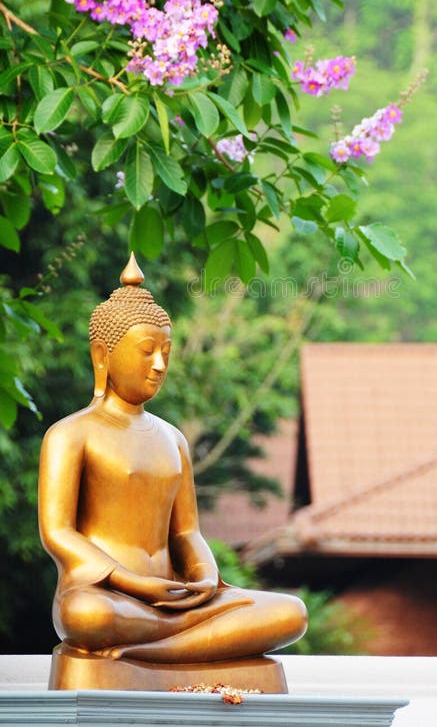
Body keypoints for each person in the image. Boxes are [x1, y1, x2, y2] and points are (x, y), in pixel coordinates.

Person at [38, 253, 307, 664]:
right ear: (101, 355)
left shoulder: (173, 438)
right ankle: (190, 645)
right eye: (147, 351)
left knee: (290, 613)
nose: (160, 364)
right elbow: (57, 532)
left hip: (175, 600)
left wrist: (203, 577)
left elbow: (186, 534)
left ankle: (153, 652)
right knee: (85, 616)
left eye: (166, 350)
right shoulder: (71, 434)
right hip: (108, 596)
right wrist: (131, 582)